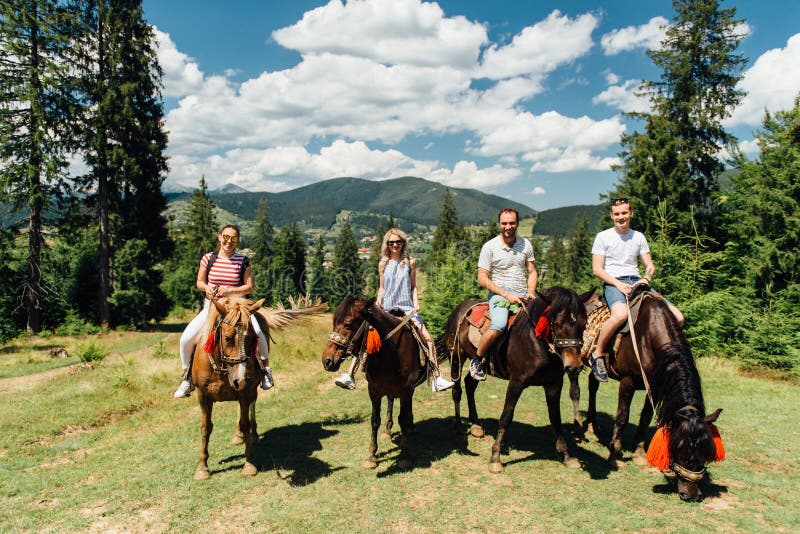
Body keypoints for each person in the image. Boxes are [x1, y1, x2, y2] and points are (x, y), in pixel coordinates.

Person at [333, 228, 455, 393]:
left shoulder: (411, 262)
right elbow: (382, 287)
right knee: (366, 336)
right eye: (391, 243)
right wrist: (378, 301)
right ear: (387, 244)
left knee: (427, 338)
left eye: (398, 242)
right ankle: (350, 375)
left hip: (407, 308)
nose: (395, 245)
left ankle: (436, 377)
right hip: (386, 309)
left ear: (403, 243)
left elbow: (413, 286)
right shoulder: (383, 264)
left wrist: (416, 303)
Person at [588, 197, 684, 382]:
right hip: (613, 283)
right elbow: (597, 269)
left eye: (624, 213)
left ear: (631, 213)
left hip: (638, 282)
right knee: (620, 315)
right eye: (617, 214)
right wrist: (618, 284)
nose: (621, 217)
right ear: (611, 216)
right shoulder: (603, 236)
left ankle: (664, 355)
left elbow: (650, 266)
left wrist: (646, 278)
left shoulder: (638, 236)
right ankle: (597, 353)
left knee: (678, 317)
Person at [173, 224, 273, 398]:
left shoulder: (243, 260)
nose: (229, 241)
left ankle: (265, 371)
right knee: (186, 339)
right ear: (220, 237)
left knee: (258, 332)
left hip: (237, 308)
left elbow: (249, 287)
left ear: (238, 241)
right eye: (226, 237)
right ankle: (187, 377)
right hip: (212, 307)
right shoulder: (208, 258)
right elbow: (199, 282)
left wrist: (229, 291)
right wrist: (207, 288)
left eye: (233, 238)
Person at [470, 208, 538, 381]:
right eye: (505, 223)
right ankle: (477, 360)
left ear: (517, 223)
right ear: (499, 224)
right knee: (499, 324)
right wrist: (507, 295)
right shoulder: (489, 247)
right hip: (499, 294)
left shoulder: (526, 244)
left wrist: (531, 291)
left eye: (512, 223)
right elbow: (482, 278)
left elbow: (532, 272)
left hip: (523, 294)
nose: (508, 226)